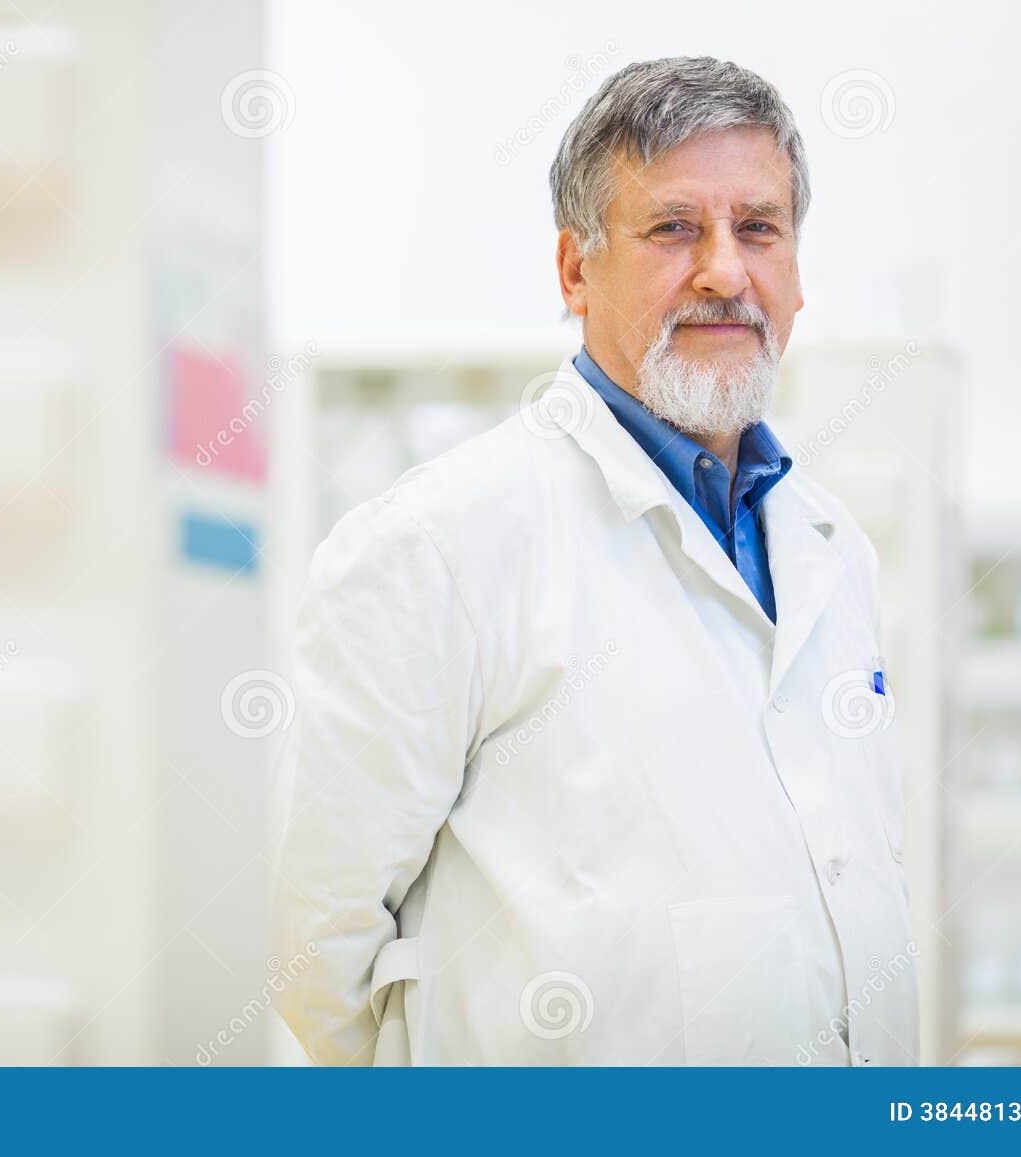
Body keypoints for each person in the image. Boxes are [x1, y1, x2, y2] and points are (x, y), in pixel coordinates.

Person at [271, 56, 918, 1066]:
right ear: (576, 268)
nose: (723, 271)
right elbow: (313, 946)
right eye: (673, 228)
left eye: (758, 227)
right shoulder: (437, 544)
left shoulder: (832, 548)